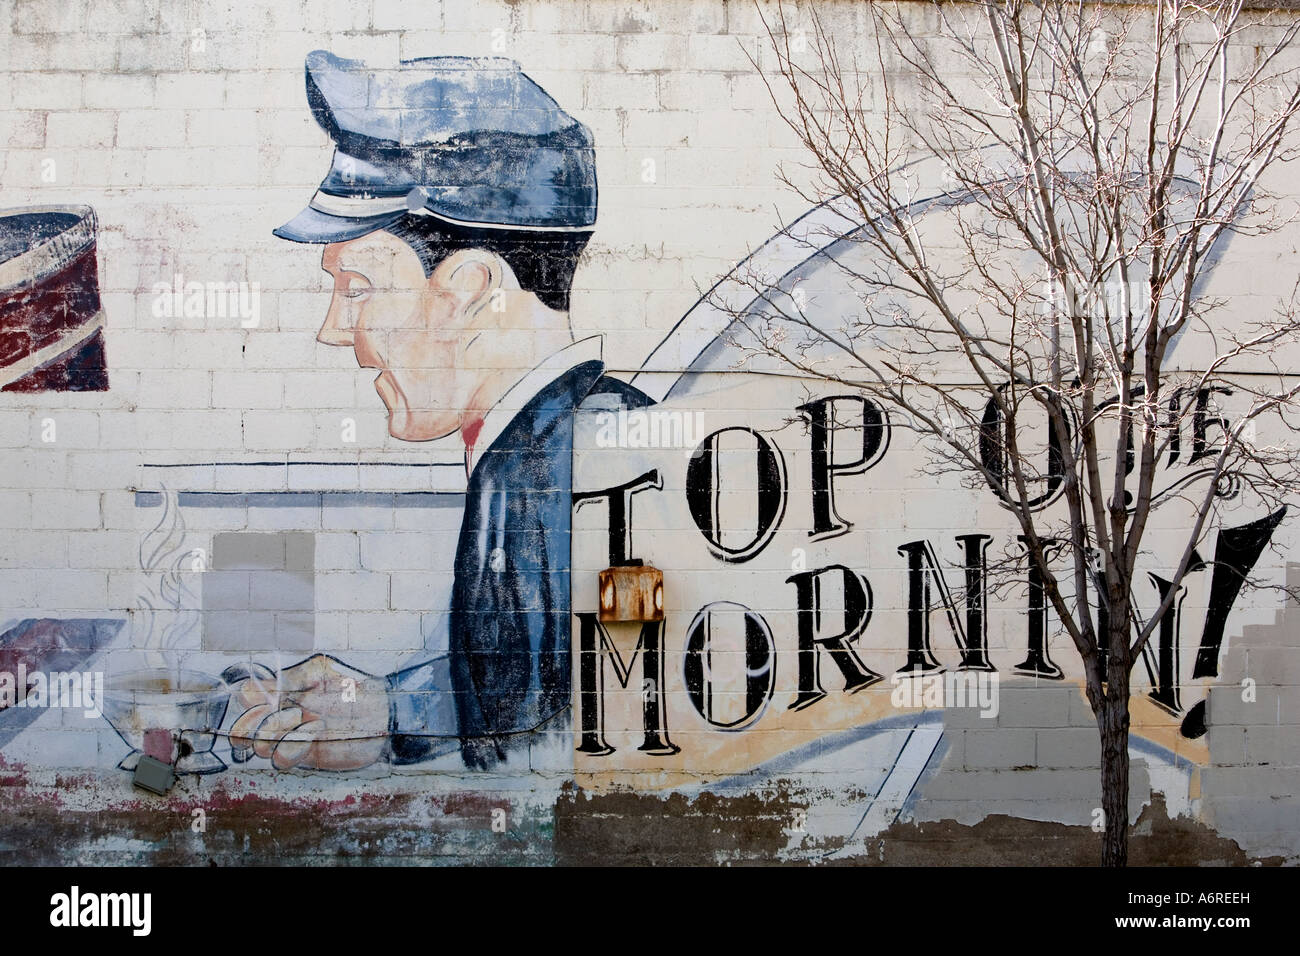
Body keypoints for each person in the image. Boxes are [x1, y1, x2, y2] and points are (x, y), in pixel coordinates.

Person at [227, 50, 648, 771]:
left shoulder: (599, 468)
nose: (335, 330)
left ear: (467, 288)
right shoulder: (549, 442)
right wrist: (389, 712)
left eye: (357, 289)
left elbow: (613, 720)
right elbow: (549, 684)